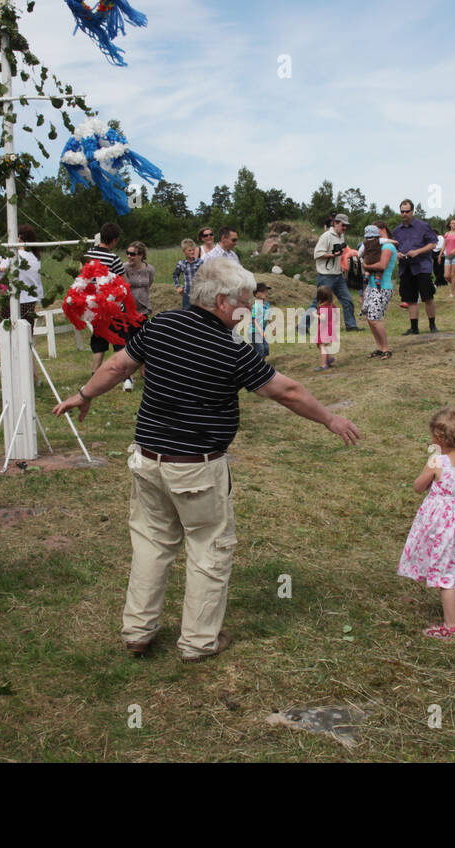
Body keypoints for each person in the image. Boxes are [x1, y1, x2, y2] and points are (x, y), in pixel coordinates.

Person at [50, 257, 360, 662]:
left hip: (147, 460)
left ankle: (137, 631)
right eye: (243, 302)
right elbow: (287, 391)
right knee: (208, 549)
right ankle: (198, 642)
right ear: (220, 302)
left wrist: (85, 394)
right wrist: (330, 418)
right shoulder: (231, 348)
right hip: (197, 467)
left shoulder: (158, 325)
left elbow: (117, 365)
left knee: (151, 544)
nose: (248, 310)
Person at [397, 408, 455, 639]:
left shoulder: (436, 461)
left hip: (444, 526)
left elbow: (419, 486)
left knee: (446, 577)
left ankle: (450, 626)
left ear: (438, 438)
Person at [0, 224, 43, 350]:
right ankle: (31, 369)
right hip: (30, 302)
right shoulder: (35, 257)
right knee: (25, 341)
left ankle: (13, 367)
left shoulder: (14, 255)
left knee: (6, 340)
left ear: (19, 238)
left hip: (14, 302)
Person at [83, 223, 127, 372]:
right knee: (119, 339)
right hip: (111, 305)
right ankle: (124, 374)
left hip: (94, 305)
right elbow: (123, 282)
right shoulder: (113, 258)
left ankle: (95, 371)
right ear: (114, 240)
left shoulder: (87, 256)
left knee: (98, 338)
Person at [391, 200, 439, 335]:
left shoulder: (423, 226)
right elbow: (394, 248)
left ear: (412, 211)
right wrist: (398, 254)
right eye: (402, 211)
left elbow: (433, 244)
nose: (404, 214)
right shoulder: (397, 230)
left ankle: (432, 325)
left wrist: (418, 251)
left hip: (422, 266)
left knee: (427, 296)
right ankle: (414, 327)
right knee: (410, 298)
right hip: (406, 267)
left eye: (407, 211)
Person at [307, 212, 358, 331]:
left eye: (346, 226)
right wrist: (332, 255)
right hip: (326, 276)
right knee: (318, 302)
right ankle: (303, 326)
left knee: (348, 300)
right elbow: (317, 254)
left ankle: (351, 326)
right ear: (335, 223)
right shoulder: (326, 236)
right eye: (343, 225)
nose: (345, 228)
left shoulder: (341, 236)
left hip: (338, 275)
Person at [359, 222, 398, 359]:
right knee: (370, 319)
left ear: (381, 230)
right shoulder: (377, 246)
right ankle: (379, 347)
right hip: (372, 287)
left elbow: (382, 266)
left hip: (382, 287)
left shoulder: (387, 246)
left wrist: (365, 264)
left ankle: (386, 348)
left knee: (374, 318)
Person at [121, 241, 155, 391]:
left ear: (141, 255)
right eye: (127, 253)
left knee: (143, 342)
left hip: (143, 311)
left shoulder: (149, 269)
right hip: (128, 311)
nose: (129, 256)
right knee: (128, 343)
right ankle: (128, 377)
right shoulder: (124, 268)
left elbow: (150, 284)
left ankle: (145, 371)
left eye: (132, 254)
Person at [312, 286, 340, 371]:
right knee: (320, 345)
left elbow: (323, 318)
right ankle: (329, 358)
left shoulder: (323, 308)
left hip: (325, 330)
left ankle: (324, 365)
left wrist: (315, 314)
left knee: (322, 346)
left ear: (320, 297)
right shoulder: (332, 306)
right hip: (330, 329)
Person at [172, 238, 203, 311]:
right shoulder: (181, 264)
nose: (192, 252)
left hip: (199, 294)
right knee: (187, 313)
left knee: (200, 314)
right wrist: (178, 286)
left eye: (193, 250)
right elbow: (175, 275)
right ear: (184, 251)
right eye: (189, 250)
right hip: (187, 295)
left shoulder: (200, 262)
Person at [248, 282, 271, 360]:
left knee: (266, 349)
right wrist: (260, 331)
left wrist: (272, 325)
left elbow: (268, 317)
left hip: (262, 332)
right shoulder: (256, 306)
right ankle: (257, 366)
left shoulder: (267, 305)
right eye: (263, 291)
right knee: (260, 349)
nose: (266, 293)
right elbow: (254, 320)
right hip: (254, 331)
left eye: (266, 291)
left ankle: (262, 365)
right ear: (256, 294)